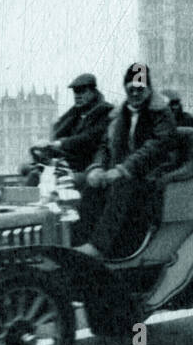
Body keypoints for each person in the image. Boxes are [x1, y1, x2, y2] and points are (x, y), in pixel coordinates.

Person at [73, 62, 179, 260]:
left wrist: (123, 170)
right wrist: (97, 169)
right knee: (88, 185)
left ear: (149, 89)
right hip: (123, 172)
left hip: (155, 174)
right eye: (131, 89)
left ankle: (98, 246)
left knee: (123, 185)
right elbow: (105, 146)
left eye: (140, 89)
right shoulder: (118, 116)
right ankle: (79, 240)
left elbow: (156, 147)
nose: (136, 94)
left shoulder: (161, 113)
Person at [21, 72, 114, 185]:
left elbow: (89, 137)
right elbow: (57, 130)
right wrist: (47, 147)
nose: (77, 95)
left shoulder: (105, 112)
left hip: (90, 166)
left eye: (82, 91)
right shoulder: (73, 114)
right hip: (67, 163)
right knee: (34, 173)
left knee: (60, 182)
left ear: (93, 91)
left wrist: (59, 143)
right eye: (75, 91)